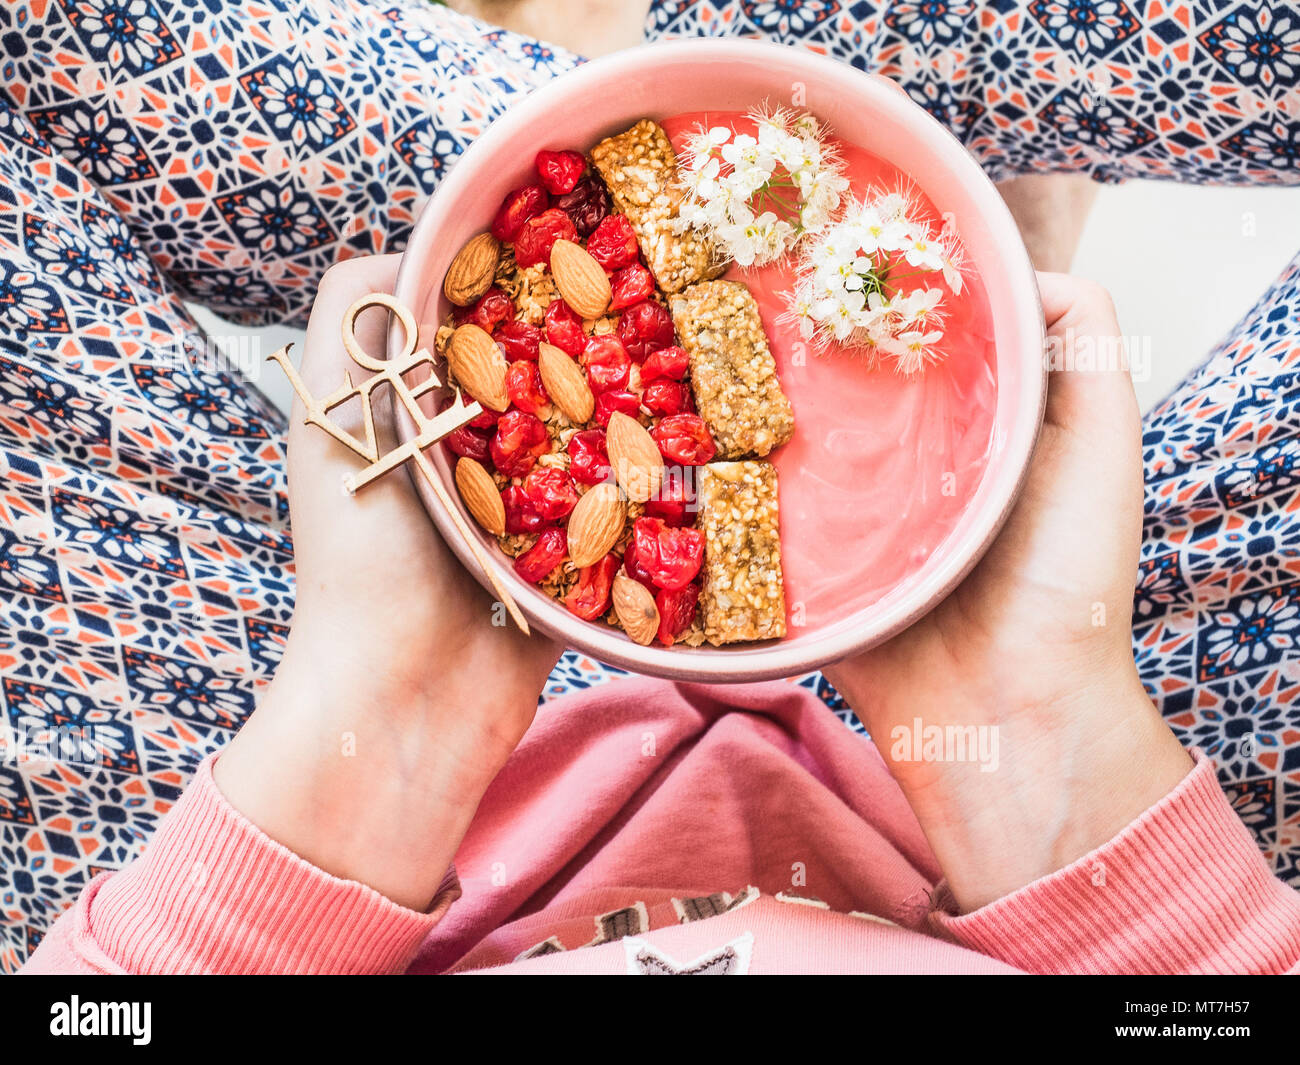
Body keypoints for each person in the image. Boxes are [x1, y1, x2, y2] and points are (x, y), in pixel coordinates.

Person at [2, 0, 1298, 973]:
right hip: (1072, 866)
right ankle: (941, 213)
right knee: (823, 35)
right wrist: (1046, 747)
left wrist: (371, 735)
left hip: (333, 854)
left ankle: (668, 99)